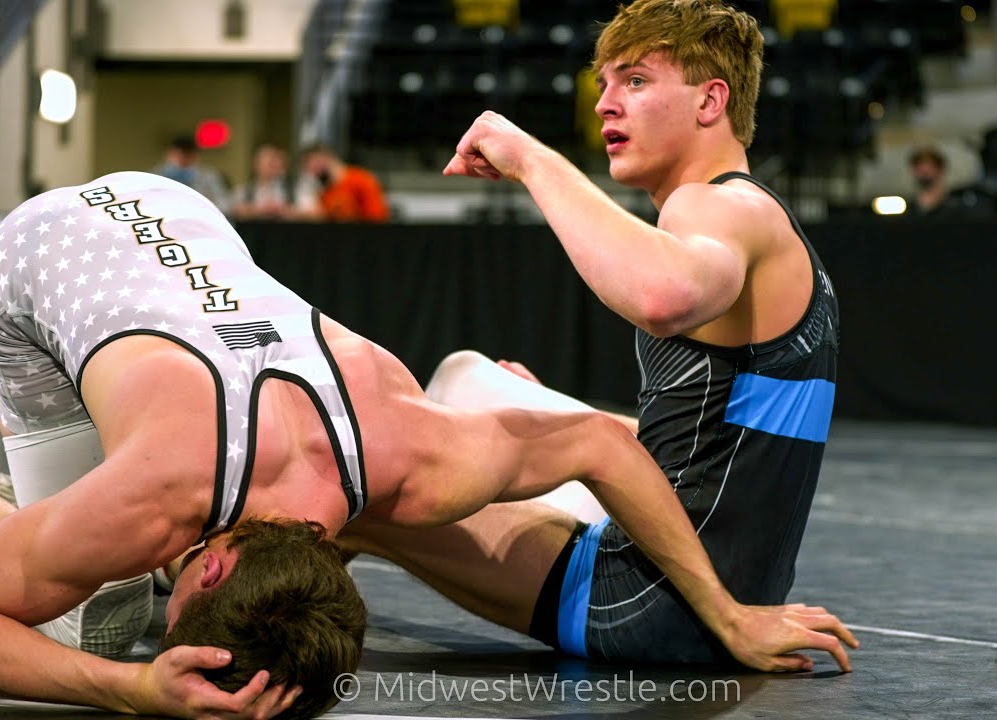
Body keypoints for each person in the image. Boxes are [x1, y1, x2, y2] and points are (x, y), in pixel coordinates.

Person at [0, 170, 854, 719]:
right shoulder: (158, 495)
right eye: (185, 585)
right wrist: (132, 689)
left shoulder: (416, 459)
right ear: (214, 563)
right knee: (96, 624)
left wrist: (728, 616)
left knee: (103, 563)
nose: (177, 591)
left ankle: (45, 532)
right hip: (37, 256)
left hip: (173, 208)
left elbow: (603, 443)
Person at [344, 0, 851, 667]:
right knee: (468, 378)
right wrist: (552, 412)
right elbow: (716, 444)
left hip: (658, 600)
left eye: (635, 81)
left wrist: (532, 159)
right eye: (605, 82)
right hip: (722, 584)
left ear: (710, 101)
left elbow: (662, 296)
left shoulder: (716, 206)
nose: (605, 103)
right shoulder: (760, 220)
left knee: (349, 485)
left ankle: (235, 615)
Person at [296, 144, 391, 223]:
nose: (312, 174)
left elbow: (377, 217)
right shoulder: (325, 192)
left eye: (312, 166)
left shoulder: (361, 180)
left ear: (323, 158)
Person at [152, 135, 231, 214]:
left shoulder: (209, 176)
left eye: (186, 155)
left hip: (199, 216)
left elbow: (224, 203)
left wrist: (206, 203)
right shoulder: (156, 175)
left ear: (195, 155)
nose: (182, 159)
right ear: (169, 154)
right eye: (178, 155)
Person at [231, 143, 296, 221]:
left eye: (274, 162)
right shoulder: (244, 191)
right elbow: (234, 210)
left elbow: (302, 210)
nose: (272, 167)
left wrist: (282, 210)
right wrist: (259, 210)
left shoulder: (289, 190)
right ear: (257, 164)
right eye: (268, 163)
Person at [907, 145, 948, 214]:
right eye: (919, 166)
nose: (924, 170)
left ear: (941, 169)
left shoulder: (954, 206)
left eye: (930, 165)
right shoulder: (909, 209)